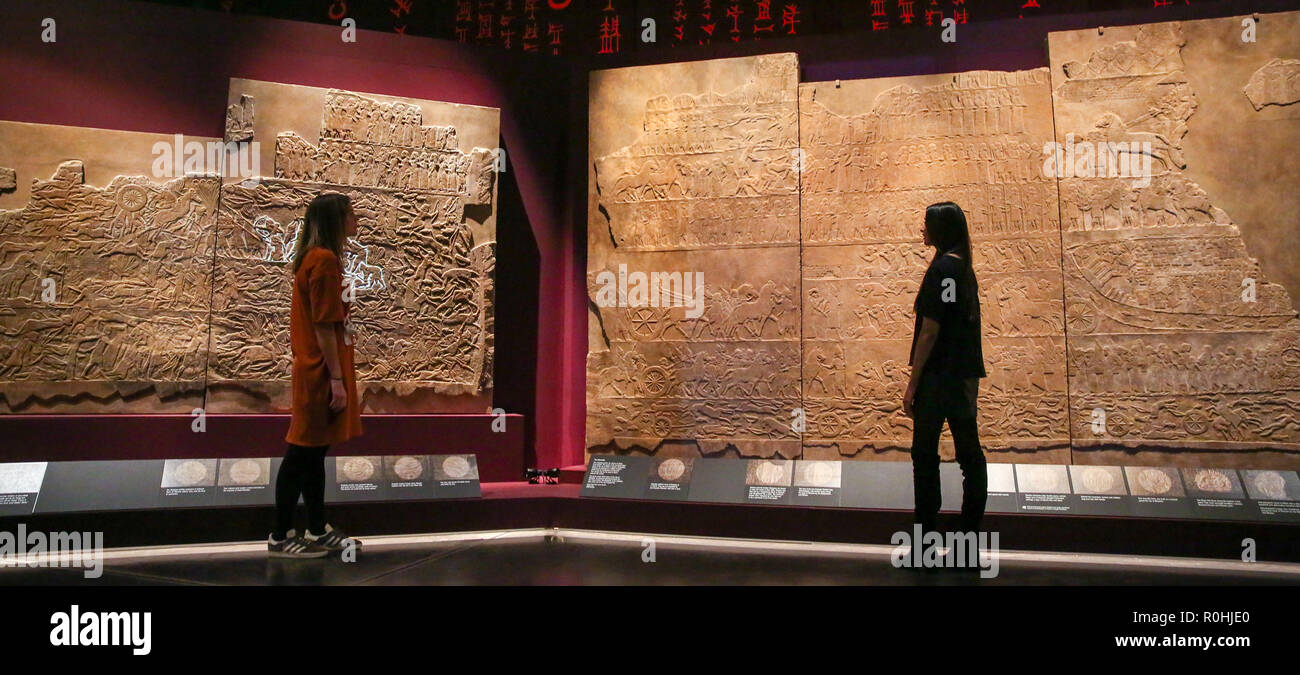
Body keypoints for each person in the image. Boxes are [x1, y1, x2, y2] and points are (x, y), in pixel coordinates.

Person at [268, 193, 364, 559]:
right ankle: (280, 534)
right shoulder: (323, 261)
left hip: (320, 367)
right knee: (302, 452)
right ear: (336, 220)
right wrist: (336, 380)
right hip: (319, 371)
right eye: (351, 215)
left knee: (314, 453)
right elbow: (325, 324)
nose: (356, 220)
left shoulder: (319, 258)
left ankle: (316, 526)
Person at [903, 201, 988, 551]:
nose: (922, 230)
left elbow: (931, 330)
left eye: (926, 224)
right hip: (961, 375)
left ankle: (926, 533)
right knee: (969, 453)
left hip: (939, 377)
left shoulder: (942, 271)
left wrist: (913, 382)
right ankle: (969, 532)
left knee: (924, 453)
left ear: (940, 230)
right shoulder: (961, 269)